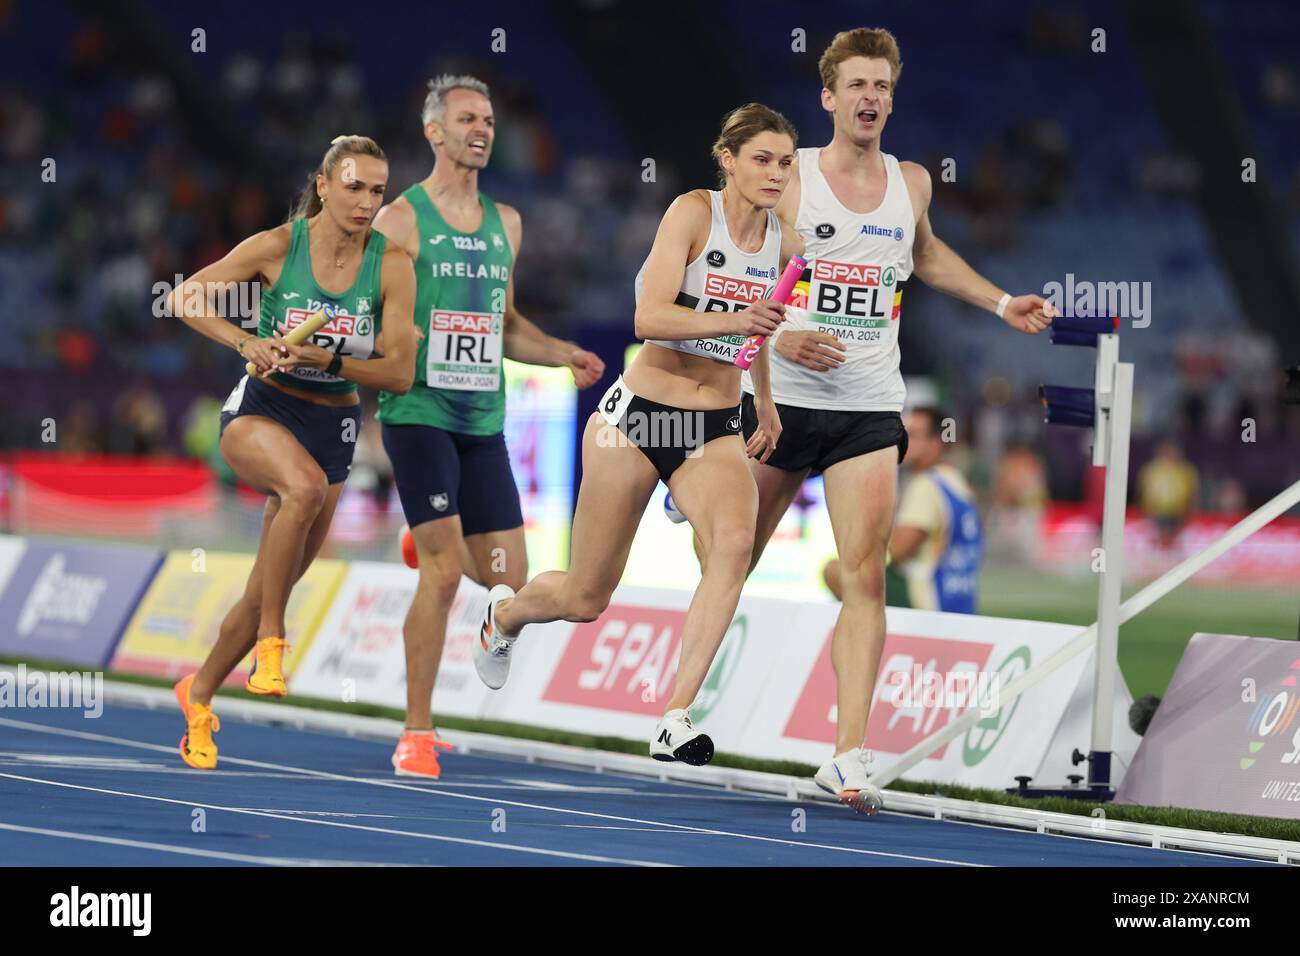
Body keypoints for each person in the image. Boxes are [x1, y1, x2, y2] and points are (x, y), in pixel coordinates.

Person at [735, 28, 1054, 813]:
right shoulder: (793, 178)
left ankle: (848, 755)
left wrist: (1001, 298)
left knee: (866, 573)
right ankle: (695, 487)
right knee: (728, 556)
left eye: (882, 85)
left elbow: (929, 253)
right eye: (857, 85)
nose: (871, 97)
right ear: (829, 96)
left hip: (872, 406)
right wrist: (778, 337)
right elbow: (740, 278)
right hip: (785, 400)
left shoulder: (912, 181)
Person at [475, 103, 803, 766]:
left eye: (786, 162)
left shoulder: (785, 242)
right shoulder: (692, 213)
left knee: (736, 546)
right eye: (762, 159)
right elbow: (648, 317)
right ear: (729, 159)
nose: (775, 172)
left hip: (713, 424)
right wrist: (736, 319)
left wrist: (764, 403)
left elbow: (760, 328)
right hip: (640, 417)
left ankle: (674, 715)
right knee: (585, 596)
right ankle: (504, 618)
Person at [372, 75, 605, 779]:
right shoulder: (400, 221)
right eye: (467, 118)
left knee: (509, 580)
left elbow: (502, 329)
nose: (483, 129)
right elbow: (366, 315)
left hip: (482, 417)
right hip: (417, 413)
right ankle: (417, 731)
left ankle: (432, 548)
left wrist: (561, 352)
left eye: (490, 119)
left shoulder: (508, 223)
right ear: (434, 133)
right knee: (445, 576)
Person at [170, 135, 416, 770]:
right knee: (300, 490)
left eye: (377, 191)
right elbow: (185, 296)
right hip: (261, 410)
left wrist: (328, 358)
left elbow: (398, 374)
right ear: (325, 185)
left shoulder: (390, 266)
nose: (366, 202)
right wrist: (244, 341)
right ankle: (273, 644)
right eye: (355, 187)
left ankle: (197, 696)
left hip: (332, 425)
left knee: (262, 588)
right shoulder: (281, 246)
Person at [823, 406, 983, 612]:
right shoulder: (958, 482)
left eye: (914, 435)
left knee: (835, 570)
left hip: (926, 602)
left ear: (935, 443)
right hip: (960, 599)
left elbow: (896, 551)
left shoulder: (926, 485)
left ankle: (871, 635)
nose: (903, 441)